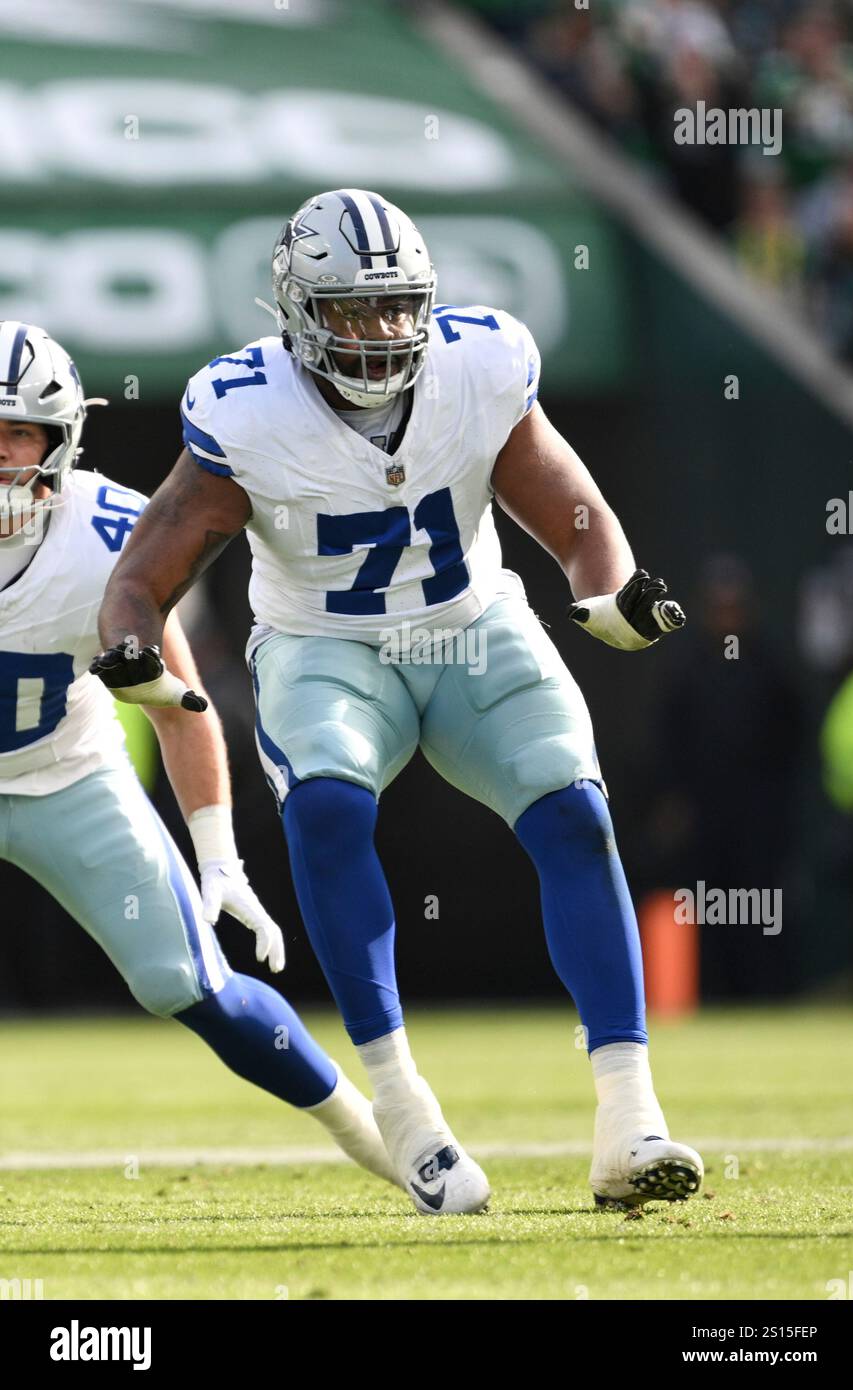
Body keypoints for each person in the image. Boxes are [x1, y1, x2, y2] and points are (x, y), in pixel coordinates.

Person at [93, 189, 702, 1214]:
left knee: (576, 815)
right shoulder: (246, 406)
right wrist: (128, 647)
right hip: (326, 647)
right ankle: (406, 1108)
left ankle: (629, 1117)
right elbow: (142, 575)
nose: (379, 334)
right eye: (352, 311)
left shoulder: (479, 364)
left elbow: (571, 506)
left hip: (471, 626)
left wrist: (612, 587)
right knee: (328, 810)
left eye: (396, 307)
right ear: (297, 312)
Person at [0, 320, 396, 1190]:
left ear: (59, 441)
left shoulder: (106, 536)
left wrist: (217, 855)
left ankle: (376, 1136)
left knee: (186, 982)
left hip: (59, 775)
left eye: (16, 432)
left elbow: (180, 708)